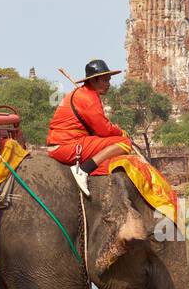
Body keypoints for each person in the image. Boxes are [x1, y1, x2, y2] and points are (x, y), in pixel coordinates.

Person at [47, 59, 133, 195]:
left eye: (109, 80)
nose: (108, 84)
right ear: (93, 81)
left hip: (63, 143)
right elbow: (104, 130)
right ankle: (83, 170)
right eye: (105, 80)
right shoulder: (88, 98)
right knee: (124, 143)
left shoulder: (82, 94)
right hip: (67, 146)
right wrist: (120, 132)